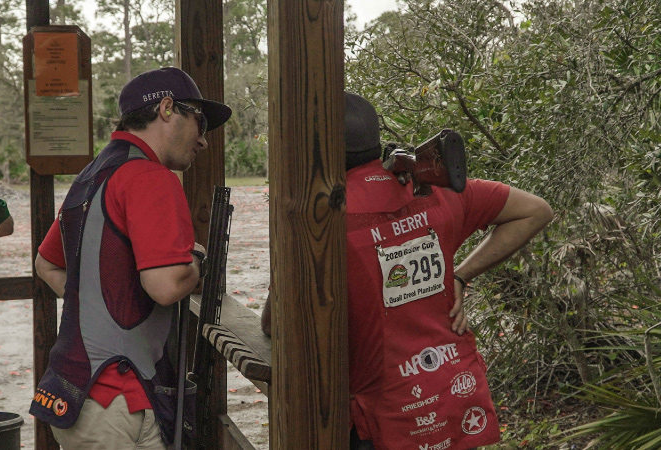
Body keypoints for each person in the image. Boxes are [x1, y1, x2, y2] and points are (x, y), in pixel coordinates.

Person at [262, 92, 553, 450]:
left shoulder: (321, 223)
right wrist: (461, 275)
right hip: (451, 398)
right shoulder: (433, 192)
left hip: (383, 421)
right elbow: (536, 210)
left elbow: (273, 325)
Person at [31, 67, 231, 449]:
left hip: (76, 396)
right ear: (168, 109)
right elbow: (166, 285)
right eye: (200, 122)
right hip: (115, 400)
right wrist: (198, 262)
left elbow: (47, 264)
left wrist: (99, 310)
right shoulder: (150, 176)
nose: (203, 141)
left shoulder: (94, 173)